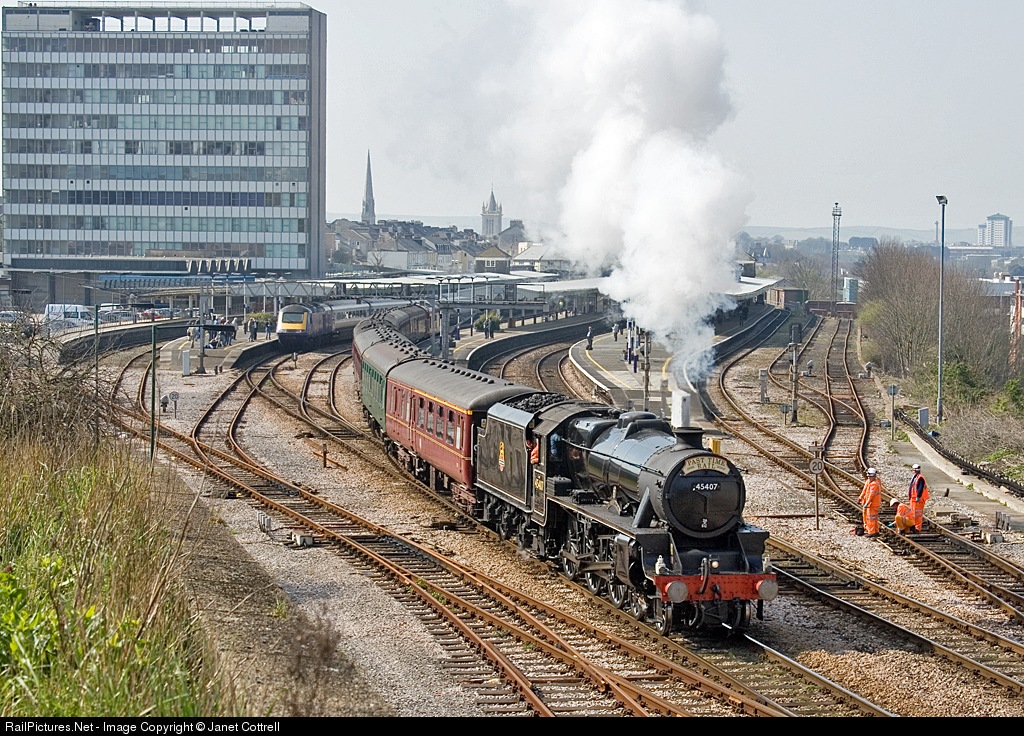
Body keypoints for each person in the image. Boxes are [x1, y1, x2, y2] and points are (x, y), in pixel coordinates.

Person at [858, 467, 882, 538]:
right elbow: (864, 490)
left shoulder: (874, 484)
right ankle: (875, 530)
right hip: (869, 503)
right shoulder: (868, 481)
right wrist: (860, 497)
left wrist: (867, 503)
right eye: (868, 476)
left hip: (873, 504)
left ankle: (872, 532)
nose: (869, 478)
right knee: (872, 518)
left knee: (871, 518)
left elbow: (871, 495)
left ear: (874, 476)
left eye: (870, 476)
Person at [908, 463, 930, 532]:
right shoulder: (916, 477)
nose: (914, 471)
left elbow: (920, 488)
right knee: (913, 514)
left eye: (914, 470)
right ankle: (914, 526)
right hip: (913, 499)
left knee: (917, 514)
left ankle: (917, 528)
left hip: (918, 500)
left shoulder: (920, 478)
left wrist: (918, 496)